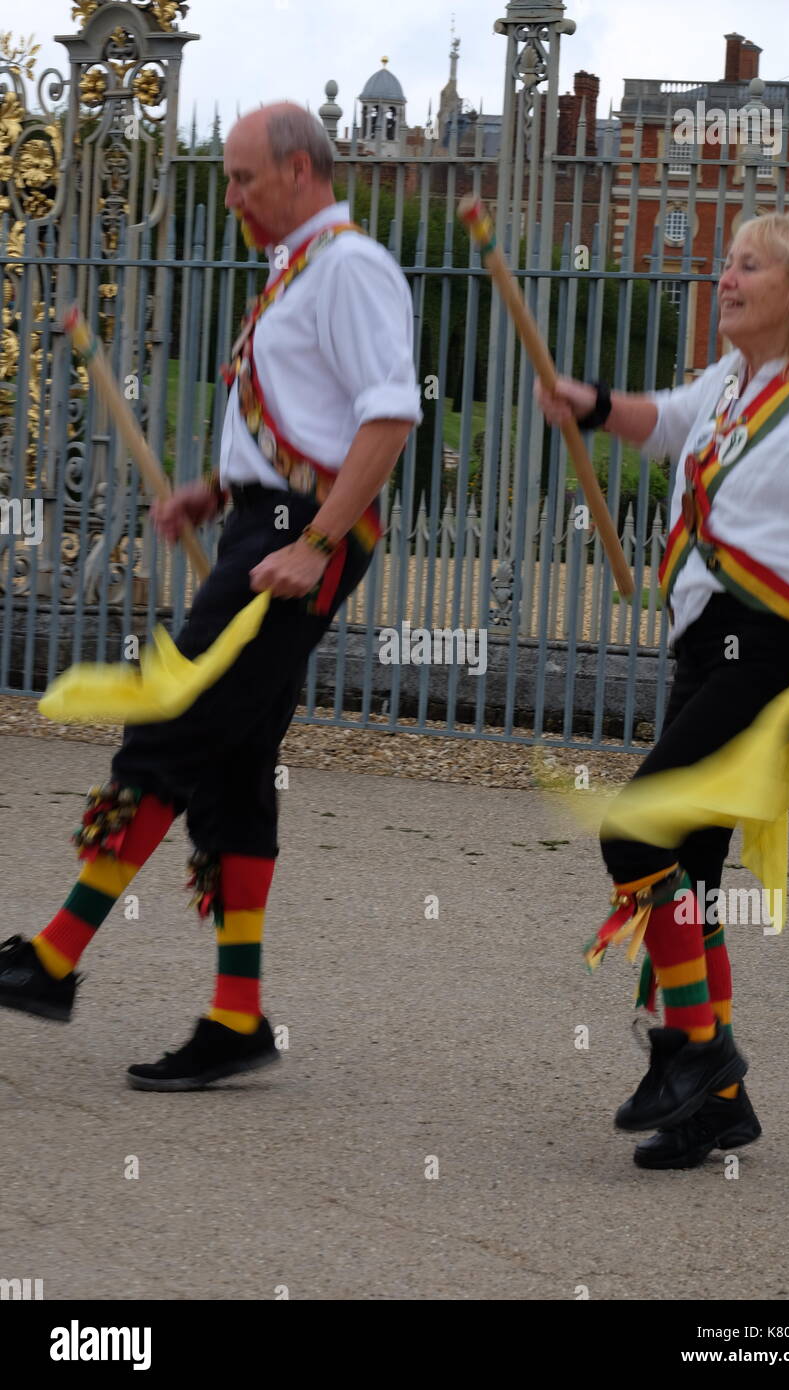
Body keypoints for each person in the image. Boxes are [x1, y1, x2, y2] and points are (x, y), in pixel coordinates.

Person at [0, 102, 421, 1089]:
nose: (230, 196)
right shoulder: (297, 271)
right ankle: (236, 1016)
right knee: (232, 765)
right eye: (228, 180)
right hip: (265, 523)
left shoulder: (351, 267)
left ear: (303, 171)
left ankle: (55, 955)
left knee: (170, 718)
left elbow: (388, 419)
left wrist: (313, 542)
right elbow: (308, 420)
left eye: (242, 178)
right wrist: (219, 489)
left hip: (297, 539)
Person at [536, 211, 789, 1167]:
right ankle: (716, 1104)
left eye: (748, 266)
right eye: (726, 263)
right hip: (708, 646)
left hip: (777, 656)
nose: (725, 279)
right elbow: (660, 424)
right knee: (694, 866)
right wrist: (591, 404)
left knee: (635, 828)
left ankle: (696, 1048)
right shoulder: (728, 385)